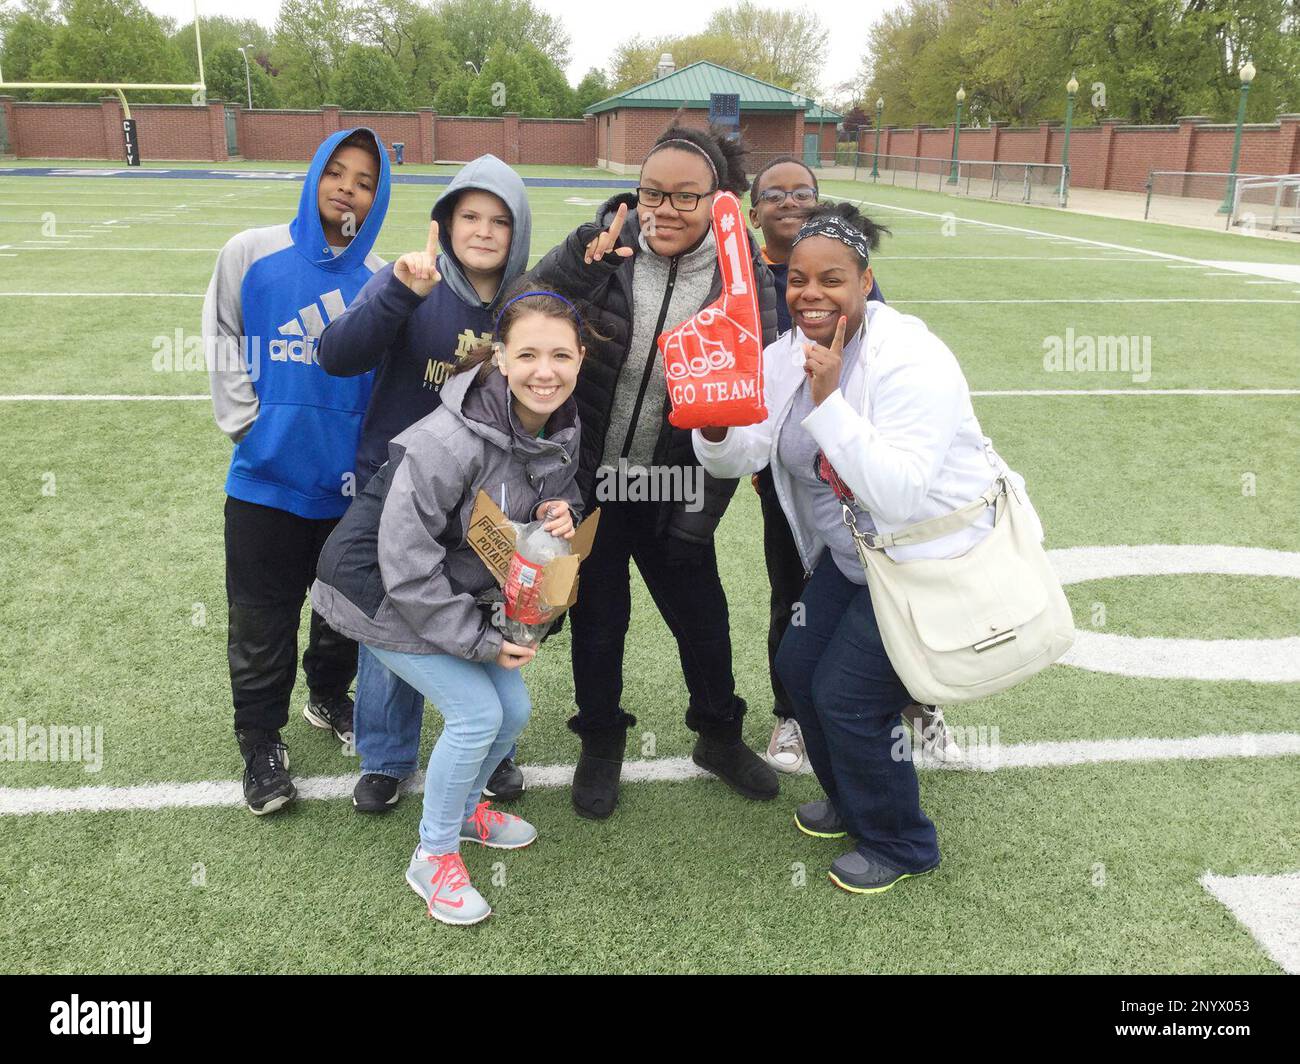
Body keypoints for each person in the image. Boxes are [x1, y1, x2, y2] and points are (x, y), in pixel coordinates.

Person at [694, 202, 1036, 894]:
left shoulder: (912, 357)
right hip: (856, 559)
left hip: (926, 560)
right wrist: (712, 422)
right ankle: (853, 799)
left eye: (831, 280)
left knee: (847, 698)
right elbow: (748, 450)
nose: (810, 296)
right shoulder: (785, 355)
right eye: (796, 280)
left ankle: (903, 839)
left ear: (865, 281)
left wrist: (829, 404)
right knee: (798, 667)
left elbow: (902, 493)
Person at [311, 286, 588, 925]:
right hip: (374, 590)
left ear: (579, 360)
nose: (545, 372)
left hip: (444, 587)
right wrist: (484, 640)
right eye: (527, 356)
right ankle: (430, 857)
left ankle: (463, 815)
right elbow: (405, 569)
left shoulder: (561, 422)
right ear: (500, 360)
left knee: (511, 709)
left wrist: (564, 513)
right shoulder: (446, 441)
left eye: (560, 356)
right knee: (473, 714)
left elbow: (559, 489)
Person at [528, 123, 781, 820]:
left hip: (675, 480)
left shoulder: (743, 276)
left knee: (702, 617)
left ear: (717, 202)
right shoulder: (601, 247)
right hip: (597, 477)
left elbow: (750, 402)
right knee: (599, 618)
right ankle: (601, 739)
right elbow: (520, 308)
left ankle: (719, 735)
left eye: (684, 197)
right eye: (652, 193)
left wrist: (700, 514)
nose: (664, 210)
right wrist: (581, 267)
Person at [318, 155, 533, 814]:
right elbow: (337, 354)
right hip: (398, 487)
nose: (484, 231)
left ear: (518, 229)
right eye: (469, 215)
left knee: (485, 613)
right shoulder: (408, 278)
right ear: (445, 220)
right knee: (393, 625)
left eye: (500, 219)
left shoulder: (528, 300)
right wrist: (398, 294)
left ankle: (493, 748)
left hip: (487, 500)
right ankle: (386, 755)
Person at [746, 159, 958, 773]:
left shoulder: (891, 334)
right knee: (796, 616)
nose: (789, 200)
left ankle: (912, 703)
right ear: (753, 209)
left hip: (889, 523)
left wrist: (829, 401)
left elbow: (896, 478)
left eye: (802, 192)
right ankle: (802, 726)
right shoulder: (745, 281)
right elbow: (750, 413)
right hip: (798, 487)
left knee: (856, 673)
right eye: (773, 193)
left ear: (864, 281)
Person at [205, 128, 390, 815]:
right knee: (262, 618)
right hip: (266, 483)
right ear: (313, 175)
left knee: (341, 613)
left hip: (350, 490)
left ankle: (327, 697)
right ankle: (260, 742)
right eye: (336, 171)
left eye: (365, 180)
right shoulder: (251, 253)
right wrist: (251, 429)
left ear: (378, 197)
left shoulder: (383, 281)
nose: (347, 187)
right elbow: (221, 333)